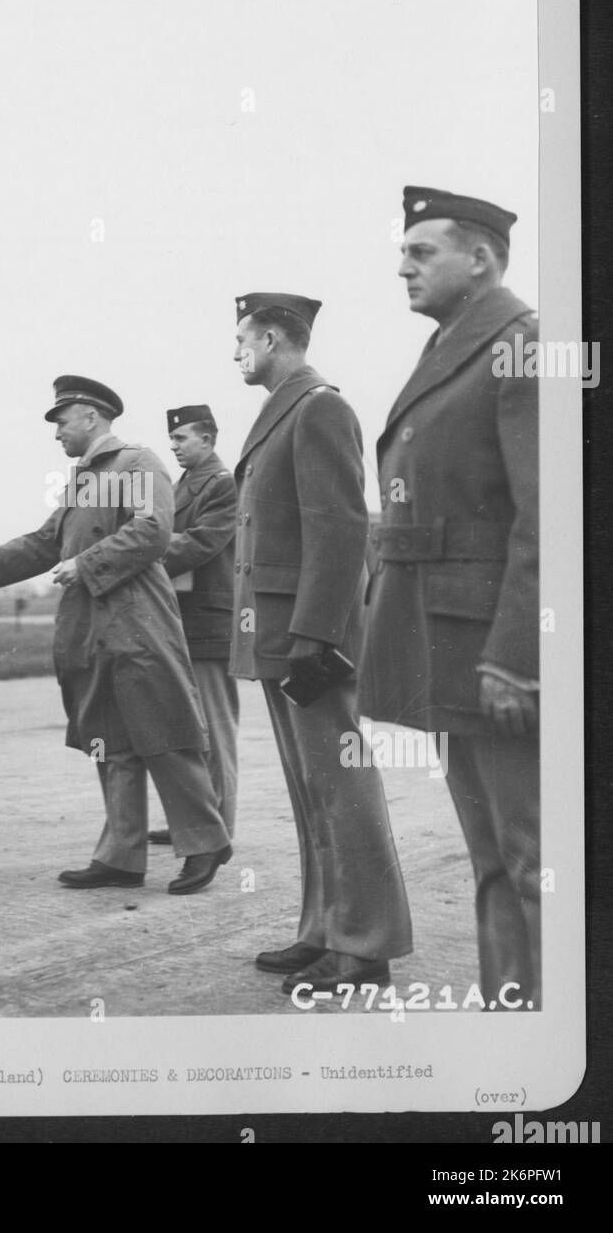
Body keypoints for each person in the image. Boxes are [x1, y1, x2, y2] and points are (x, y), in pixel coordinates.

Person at [358, 187, 540, 1006]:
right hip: (450, 646)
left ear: (481, 257)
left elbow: (551, 517)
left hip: (494, 656)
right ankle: (514, 1015)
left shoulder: (520, 346)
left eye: (421, 251)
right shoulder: (453, 346)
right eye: (402, 251)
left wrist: (517, 656)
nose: (403, 266)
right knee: (495, 858)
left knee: (533, 857)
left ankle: (557, 1036)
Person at [0, 376, 232, 894]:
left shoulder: (138, 462)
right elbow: (45, 542)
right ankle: (122, 856)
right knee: (109, 740)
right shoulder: (83, 478)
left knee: (165, 733)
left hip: (138, 619)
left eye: (61, 419)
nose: (56, 431)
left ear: (90, 416)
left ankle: (206, 843)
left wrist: (88, 563)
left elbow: (153, 530)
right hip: (91, 625)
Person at [231, 293, 413, 993]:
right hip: (284, 638)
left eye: (242, 339)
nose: (235, 352)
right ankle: (325, 930)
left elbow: (339, 531)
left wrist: (313, 636)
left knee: (342, 789)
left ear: (273, 337)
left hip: (310, 643)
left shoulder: (319, 408)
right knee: (315, 792)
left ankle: (366, 948)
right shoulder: (286, 409)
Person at [148, 406, 239, 845]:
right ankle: (195, 821)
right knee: (188, 728)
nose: (174, 445)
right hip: (181, 620)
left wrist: (141, 551)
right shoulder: (184, 484)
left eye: (183, 437)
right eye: (173, 438)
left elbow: (202, 541)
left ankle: (219, 826)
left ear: (208, 439)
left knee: (216, 733)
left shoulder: (223, 485)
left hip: (210, 621)